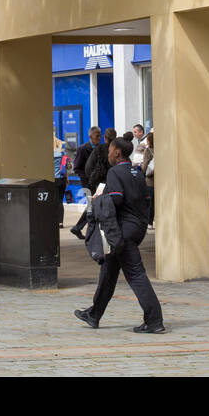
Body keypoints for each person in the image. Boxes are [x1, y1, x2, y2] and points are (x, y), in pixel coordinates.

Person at [74, 136, 165, 333]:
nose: (107, 155)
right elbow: (146, 200)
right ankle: (94, 314)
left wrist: (99, 198)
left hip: (123, 231)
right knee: (109, 270)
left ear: (117, 153)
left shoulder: (115, 172)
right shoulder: (137, 172)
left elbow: (115, 200)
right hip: (136, 227)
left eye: (109, 151)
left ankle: (154, 320)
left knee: (136, 274)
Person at [70, 127, 103, 238]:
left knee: (93, 205)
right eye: (97, 136)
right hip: (87, 183)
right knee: (91, 205)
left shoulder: (100, 148)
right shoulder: (83, 149)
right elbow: (77, 168)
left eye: (100, 135)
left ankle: (78, 228)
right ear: (90, 136)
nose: (99, 138)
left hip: (97, 183)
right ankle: (80, 228)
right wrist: (88, 177)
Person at [53, 137, 69, 228]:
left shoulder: (50, 154)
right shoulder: (63, 153)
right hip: (62, 179)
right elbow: (65, 167)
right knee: (60, 201)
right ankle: (60, 222)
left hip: (54, 179)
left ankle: (55, 220)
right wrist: (67, 178)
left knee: (54, 201)